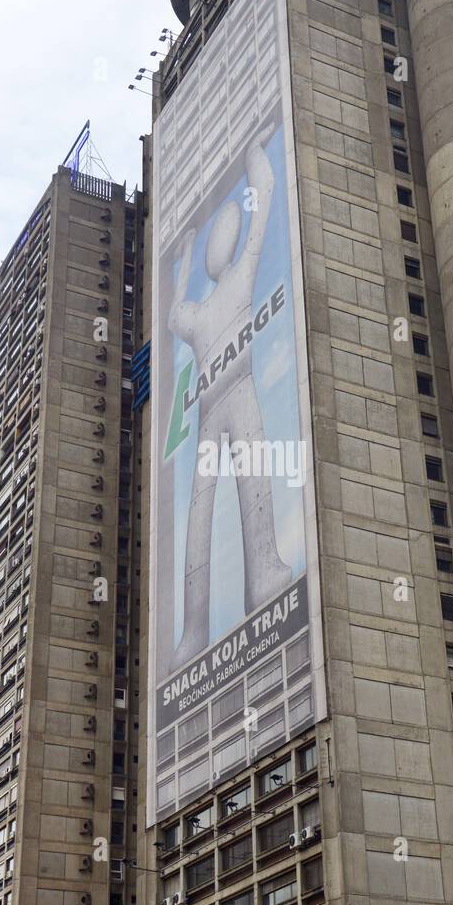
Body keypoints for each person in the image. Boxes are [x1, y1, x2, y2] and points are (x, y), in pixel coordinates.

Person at [168, 122, 293, 668]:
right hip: (211, 409)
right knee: (199, 512)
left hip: (239, 392)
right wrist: (187, 253)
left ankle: (264, 569)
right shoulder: (199, 315)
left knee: (255, 480)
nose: (224, 242)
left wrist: (251, 158)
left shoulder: (245, 274)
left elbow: (264, 203)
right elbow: (174, 315)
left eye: (226, 232)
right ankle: (194, 628)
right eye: (214, 240)